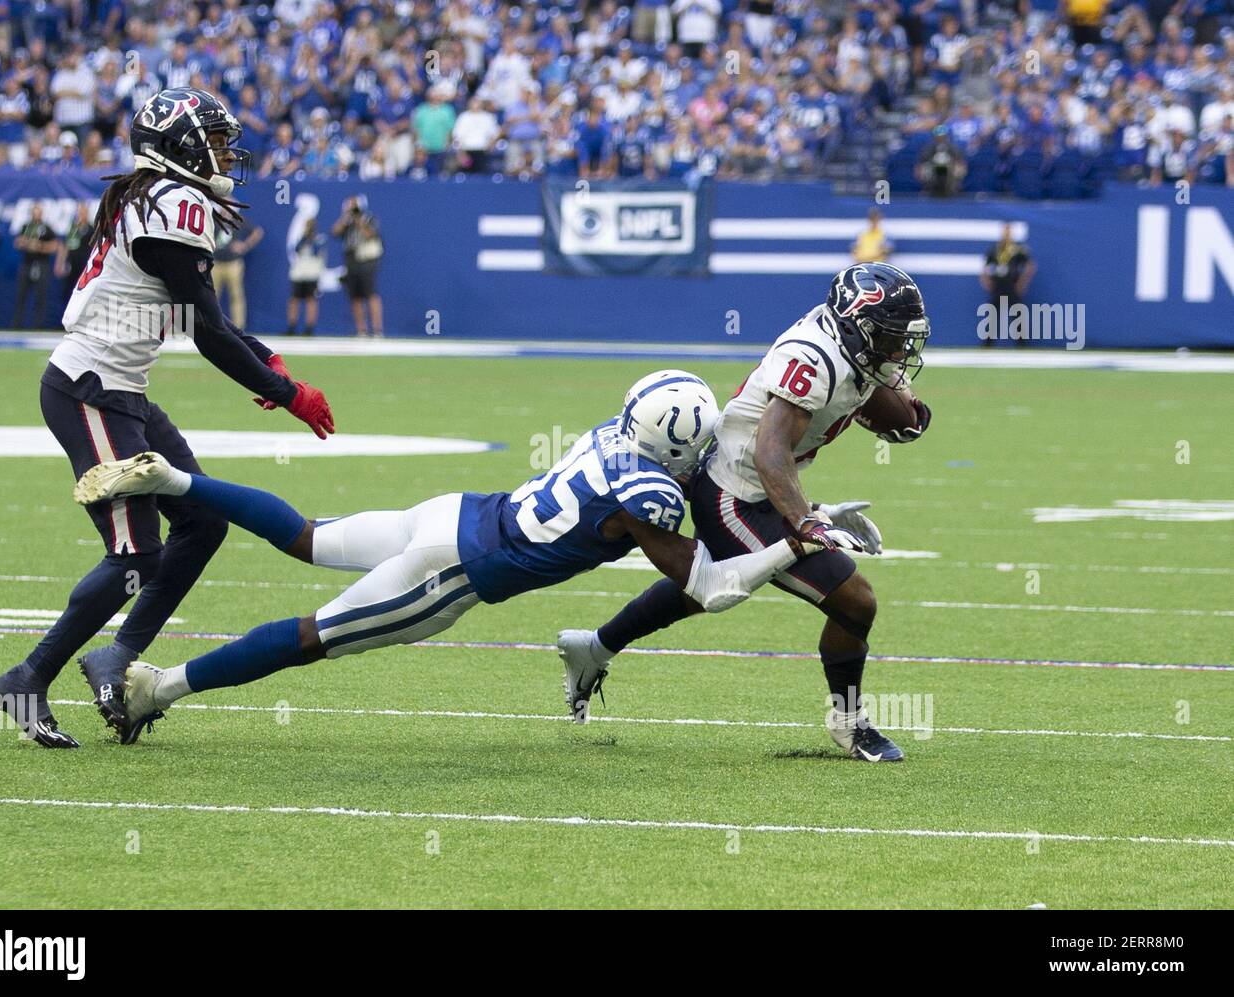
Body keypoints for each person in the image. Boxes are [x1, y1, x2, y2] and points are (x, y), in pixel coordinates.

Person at [71, 371, 853, 743]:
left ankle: (178, 477)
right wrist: (797, 539)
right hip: (451, 574)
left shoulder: (613, 437)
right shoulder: (648, 499)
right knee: (315, 636)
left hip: (454, 511)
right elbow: (712, 589)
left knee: (307, 535)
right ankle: (153, 691)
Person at [0, 88, 336, 749]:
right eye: (211, 138)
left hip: (120, 390)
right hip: (89, 389)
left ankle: (116, 658)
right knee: (137, 552)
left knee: (202, 523)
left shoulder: (153, 196)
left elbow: (193, 314)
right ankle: (28, 675)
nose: (225, 151)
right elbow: (206, 331)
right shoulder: (173, 205)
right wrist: (284, 392)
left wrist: (269, 364)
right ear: (176, 147)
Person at [557, 264, 934, 763]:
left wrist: (898, 411)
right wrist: (808, 521)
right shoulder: (813, 358)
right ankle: (850, 724)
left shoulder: (853, 350)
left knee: (696, 585)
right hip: (733, 494)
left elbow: (900, 420)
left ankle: (595, 647)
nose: (899, 351)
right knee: (854, 600)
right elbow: (769, 451)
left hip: (759, 490)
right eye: (889, 338)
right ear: (857, 328)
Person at [332, 195, 385, 338]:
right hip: (351, 259)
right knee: (355, 296)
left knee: (371, 293)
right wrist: (346, 217)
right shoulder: (347, 220)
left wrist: (358, 220)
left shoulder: (369, 218)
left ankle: (377, 329)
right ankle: (361, 330)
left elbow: (370, 235)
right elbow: (334, 232)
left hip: (367, 260)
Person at [980, 223, 1036, 346]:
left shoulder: (1018, 249)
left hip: (1012, 285)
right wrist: (986, 281)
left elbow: (1030, 266)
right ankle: (987, 344)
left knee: (1017, 314)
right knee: (993, 314)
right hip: (998, 285)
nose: (1006, 234)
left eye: (1008, 231)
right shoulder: (996, 249)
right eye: (1005, 231)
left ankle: (1022, 344)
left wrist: (1022, 283)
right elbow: (985, 266)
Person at [12, 203, 61, 329]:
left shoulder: (46, 228)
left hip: (41, 264)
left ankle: (38, 325)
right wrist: (28, 244)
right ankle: (17, 325)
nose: (36, 214)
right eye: (35, 211)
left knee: (41, 296)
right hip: (27, 263)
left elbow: (55, 246)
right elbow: (17, 242)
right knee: (21, 295)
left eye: (39, 211)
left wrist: (39, 246)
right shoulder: (26, 227)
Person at [212, 218, 263, 329]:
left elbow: (257, 232)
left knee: (236, 296)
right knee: (211, 296)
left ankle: (239, 327)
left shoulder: (237, 220)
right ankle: (210, 325)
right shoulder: (213, 219)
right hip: (216, 262)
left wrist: (245, 245)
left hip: (233, 263)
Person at [287, 217, 326, 336]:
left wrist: (311, 237)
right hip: (299, 273)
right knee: (294, 299)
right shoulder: (301, 238)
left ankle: (309, 327)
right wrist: (305, 236)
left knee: (311, 300)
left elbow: (316, 251)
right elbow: (296, 250)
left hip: (312, 273)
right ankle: (292, 326)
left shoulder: (319, 239)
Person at [54, 201, 94, 305]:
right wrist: (60, 263)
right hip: (71, 265)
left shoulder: (91, 229)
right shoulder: (72, 229)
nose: (81, 214)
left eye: (83, 212)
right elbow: (65, 246)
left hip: (84, 266)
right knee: (67, 292)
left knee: (82, 293)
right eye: (79, 212)